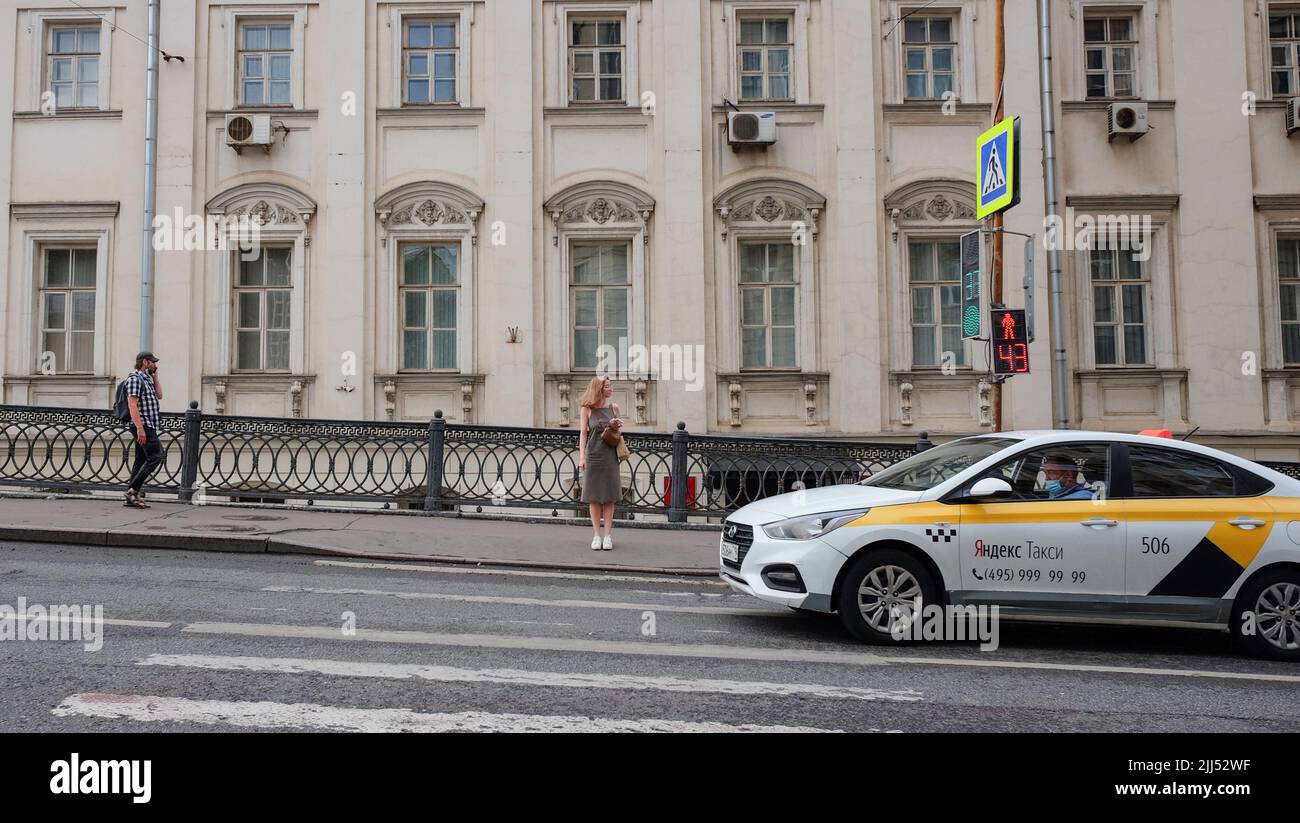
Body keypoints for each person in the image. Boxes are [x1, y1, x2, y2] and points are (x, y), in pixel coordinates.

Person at [578, 376, 623, 550]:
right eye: (608, 386)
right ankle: (596, 535)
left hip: (610, 455)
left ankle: (608, 536)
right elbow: (583, 433)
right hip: (593, 455)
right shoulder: (587, 409)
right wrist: (581, 457)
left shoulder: (614, 407)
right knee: (594, 496)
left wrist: (614, 425)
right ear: (599, 389)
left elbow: (618, 433)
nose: (611, 389)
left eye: (611, 386)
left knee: (609, 496)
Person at [123, 352, 164, 509]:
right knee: (155, 457)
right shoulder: (134, 379)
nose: (154, 364)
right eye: (152, 362)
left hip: (149, 425)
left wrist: (155, 377)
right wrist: (140, 429)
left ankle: (131, 494)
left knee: (140, 459)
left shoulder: (146, 379)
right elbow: (132, 405)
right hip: (143, 425)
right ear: (145, 362)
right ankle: (133, 490)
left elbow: (159, 395)